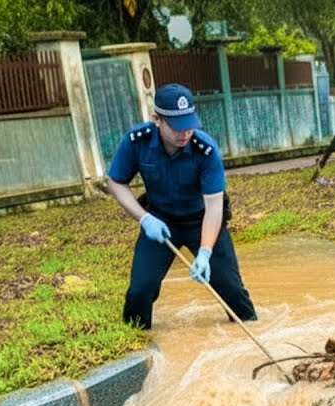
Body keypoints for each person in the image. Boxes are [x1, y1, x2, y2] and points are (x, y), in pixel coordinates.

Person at [106, 83, 256, 329]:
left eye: (189, 123)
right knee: (140, 292)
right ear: (157, 120)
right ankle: (138, 343)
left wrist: (205, 252)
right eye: (177, 126)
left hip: (201, 221)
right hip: (159, 222)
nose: (185, 132)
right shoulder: (137, 142)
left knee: (233, 293)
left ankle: (248, 332)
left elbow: (214, 207)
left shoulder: (205, 150)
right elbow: (115, 182)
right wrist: (144, 219)